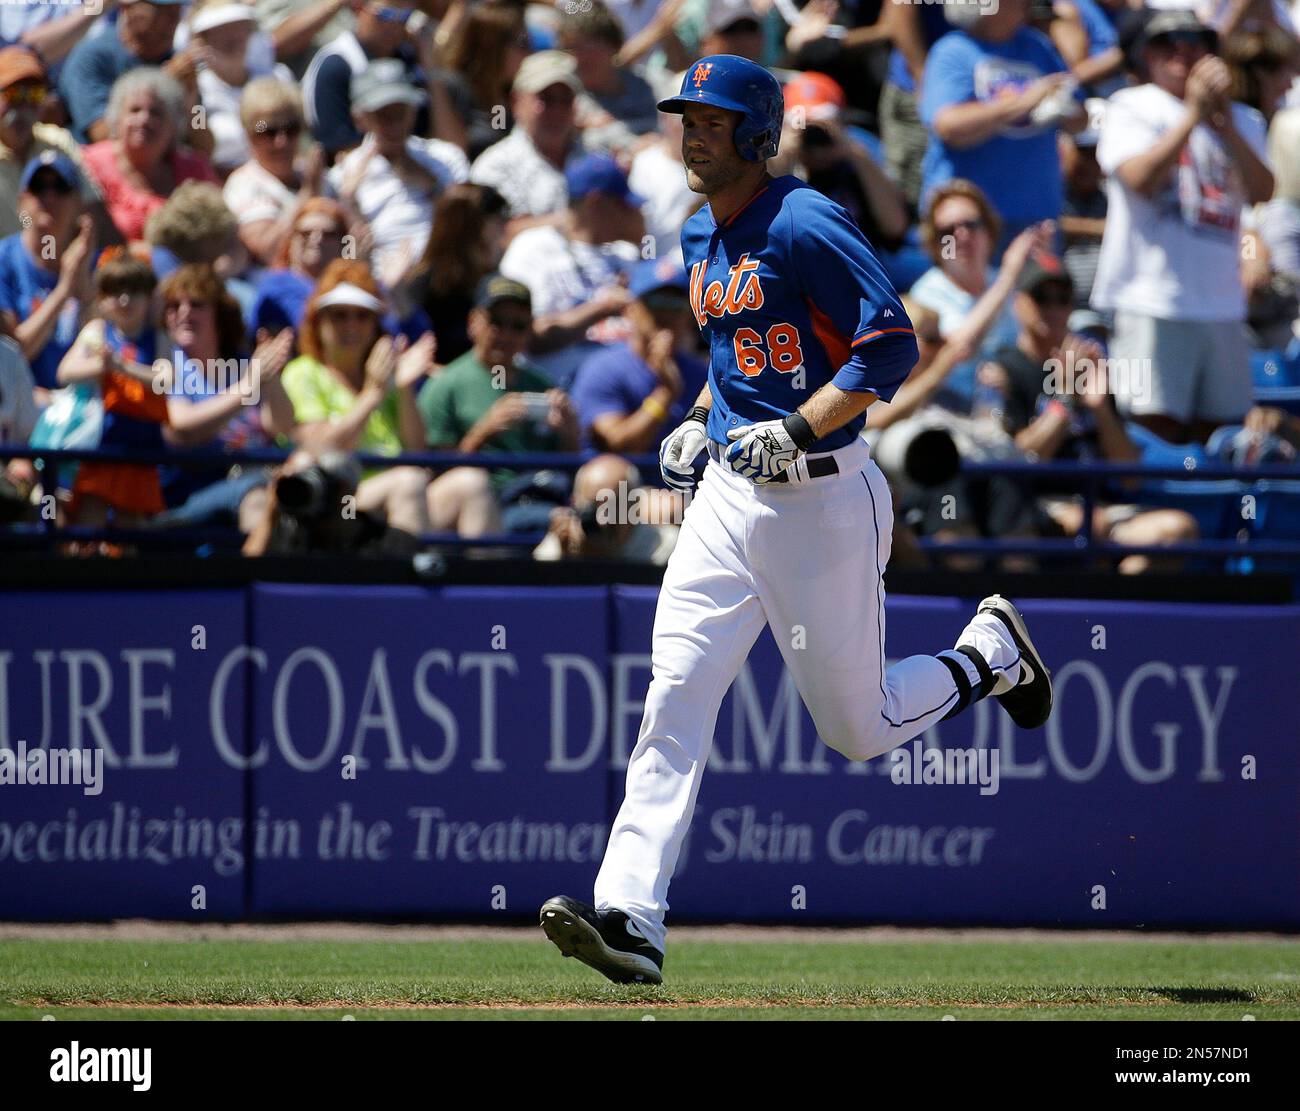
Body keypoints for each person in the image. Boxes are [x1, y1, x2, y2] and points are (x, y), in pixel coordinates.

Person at [539, 55, 1055, 985]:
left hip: (822, 496)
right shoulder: (702, 230)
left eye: (710, 118)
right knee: (675, 694)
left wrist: (797, 425)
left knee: (858, 726)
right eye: (685, 118)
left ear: (755, 132)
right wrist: (701, 419)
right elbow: (734, 354)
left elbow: (889, 342)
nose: (692, 132)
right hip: (730, 501)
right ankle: (631, 914)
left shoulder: (806, 216)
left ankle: (988, 653)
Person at [1090, 8, 1273, 443]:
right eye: (1167, 42)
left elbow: (1263, 189)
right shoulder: (1130, 106)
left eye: (1195, 42)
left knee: (1225, 428)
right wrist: (1192, 115)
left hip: (1221, 303)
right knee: (1154, 424)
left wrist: (1225, 126)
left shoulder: (1245, 120)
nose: (1183, 52)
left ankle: (1210, 513)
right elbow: (1139, 179)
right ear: (1146, 55)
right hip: (1151, 297)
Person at [980, 252, 1200, 574]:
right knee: (1088, 525)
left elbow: (1127, 473)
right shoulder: (1004, 370)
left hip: (1098, 505)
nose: (1054, 310)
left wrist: (1099, 408)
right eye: (1042, 298)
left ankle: (1113, 618)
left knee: (1178, 532)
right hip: (1036, 507)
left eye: (1063, 299)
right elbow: (1022, 461)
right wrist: (1067, 396)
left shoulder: (1091, 366)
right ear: (1019, 302)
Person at [279, 259, 438, 538]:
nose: (351, 324)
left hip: (400, 496)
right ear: (317, 322)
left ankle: (490, 581)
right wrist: (372, 394)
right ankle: (412, 578)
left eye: (362, 315)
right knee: (408, 483)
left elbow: (417, 453)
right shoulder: (302, 373)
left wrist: (402, 389)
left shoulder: (386, 378)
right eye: (339, 314)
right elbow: (323, 449)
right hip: (336, 503)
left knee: (470, 483)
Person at [418, 274, 580, 535]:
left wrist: (569, 431)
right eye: (496, 322)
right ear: (473, 323)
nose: (506, 334)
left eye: (518, 325)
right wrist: (484, 431)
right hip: (486, 503)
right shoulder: (445, 385)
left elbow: (570, 468)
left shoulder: (543, 385)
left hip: (545, 496)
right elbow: (437, 474)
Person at [919, 0, 1086, 246]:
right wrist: (1025, 102)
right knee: (965, 286)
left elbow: (1080, 120)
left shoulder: (1036, 45)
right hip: (968, 222)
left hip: (1037, 219)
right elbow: (948, 125)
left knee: (1038, 285)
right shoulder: (952, 51)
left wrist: (1062, 108)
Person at [497, 152, 643, 387]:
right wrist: (601, 308)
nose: (630, 213)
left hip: (624, 392)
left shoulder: (625, 255)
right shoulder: (534, 247)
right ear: (596, 202)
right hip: (555, 394)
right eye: (622, 204)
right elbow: (527, 338)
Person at [327, 58, 470, 289]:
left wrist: (434, 187)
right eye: (383, 115)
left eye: (400, 113)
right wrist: (348, 204)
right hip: (377, 283)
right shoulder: (342, 175)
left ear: (414, 111)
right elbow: (343, 253)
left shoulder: (445, 158)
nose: (393, 125)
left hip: (445, 280)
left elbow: (471, 226)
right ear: (360, 119)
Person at [56, 250, 168, 527]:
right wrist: (101, 367)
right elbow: (65, 373)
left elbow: (165, 380)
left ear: (149, 297)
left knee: (130, 531)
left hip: (140, 449)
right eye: (116, 292)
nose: (125, 300)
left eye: (134, 291)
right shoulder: (97, 331)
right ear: (102, 299)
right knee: (88, 524)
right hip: (101, 447)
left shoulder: (158, 337)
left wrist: (120, 366)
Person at [569, 257, 708, 456]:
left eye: (676, 303)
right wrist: (666, 393)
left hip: (687, 484)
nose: (665, 313)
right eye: (655, 301)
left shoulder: (701, 375)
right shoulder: (603, 368)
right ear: (630, 309)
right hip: (625, 483)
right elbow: (619, 446)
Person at [908, 179, 1022, 411]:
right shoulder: (926, 293)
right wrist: (1007, 279)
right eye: (947, 231)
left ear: (989, 231)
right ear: (935, 243)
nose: (961, 235)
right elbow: (960, 349)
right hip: (951, 410)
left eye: (971, 225)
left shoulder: (1004, 281)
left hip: (1013, 406)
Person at [81, 68, 219, 245]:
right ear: (116, 119)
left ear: (174, 126)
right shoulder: (89, 165)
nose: (144, 120)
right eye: (134, 110)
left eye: (156, 113)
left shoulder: (194, 168)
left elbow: (221, 228)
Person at [0, 152, 94, 394]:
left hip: (84, 408)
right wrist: (64, 289)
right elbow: (12, 353)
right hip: (23, 406)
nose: (49, 196)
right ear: (22, 201)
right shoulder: (4, 259)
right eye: (39, 187)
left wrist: (82, 282)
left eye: (60, 188)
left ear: (79, 203)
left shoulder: (99, 263)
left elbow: (110, 345)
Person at [0, 46, 113, 242]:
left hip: (58, 262)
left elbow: (93, 211)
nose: (24, 105)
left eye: (34, 94)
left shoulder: (57, 141)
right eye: (13, 94)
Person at [468, 50, 590, 227]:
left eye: (566, 99)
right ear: (516, 101)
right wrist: (575, 222)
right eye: (546, 98)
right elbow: (493, 235)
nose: (557, 111)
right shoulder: (495, 165)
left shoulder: (596, 158)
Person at [58, 0, 201, 145]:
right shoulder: (94, 56)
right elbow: (102, 134)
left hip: (165, 166)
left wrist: (192, 100)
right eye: (162, 10)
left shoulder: (180, 65)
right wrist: (165, 83)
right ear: (127, 9)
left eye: (177, 11)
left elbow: (204, 142)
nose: (173, 20)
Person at [395, 182, 508, 365]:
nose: (504, 229)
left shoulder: (492, 283)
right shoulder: (424, 285)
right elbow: (413, 351)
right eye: (498, 220)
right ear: (470, 228)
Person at [222, 78, 324, 269]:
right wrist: (308, 194)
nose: (281, 141)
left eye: (291, 129)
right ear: (248, 134)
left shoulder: (311, 173)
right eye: (268, 131)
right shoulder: (244, 184)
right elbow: (271, 251)